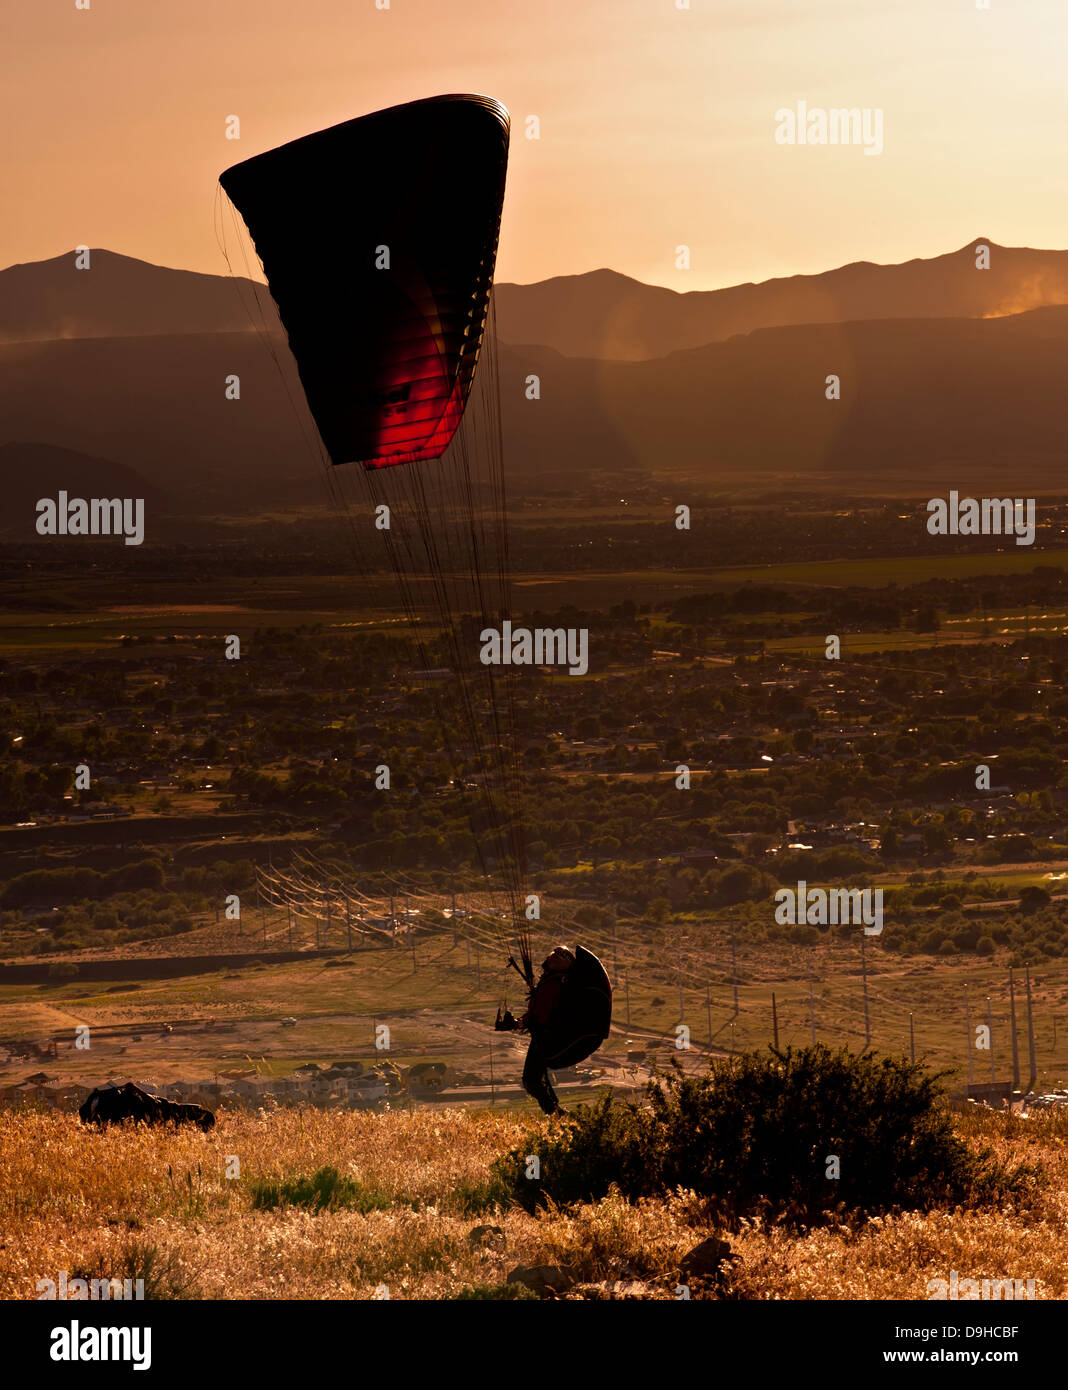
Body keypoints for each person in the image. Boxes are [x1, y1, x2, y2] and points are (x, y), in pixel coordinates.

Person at [496, 945, 575, 1115]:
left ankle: (555, 1114)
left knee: (532, 1081)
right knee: (534, 1080)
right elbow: (536, 1013)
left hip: (547, 1036)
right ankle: (556, 1112)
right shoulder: (550, 981)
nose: (553, 957)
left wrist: (516, 1024)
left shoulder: (556, 984)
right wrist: (516, 1023)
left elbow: (541, 1015)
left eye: (558, 956)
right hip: (544, 1035)